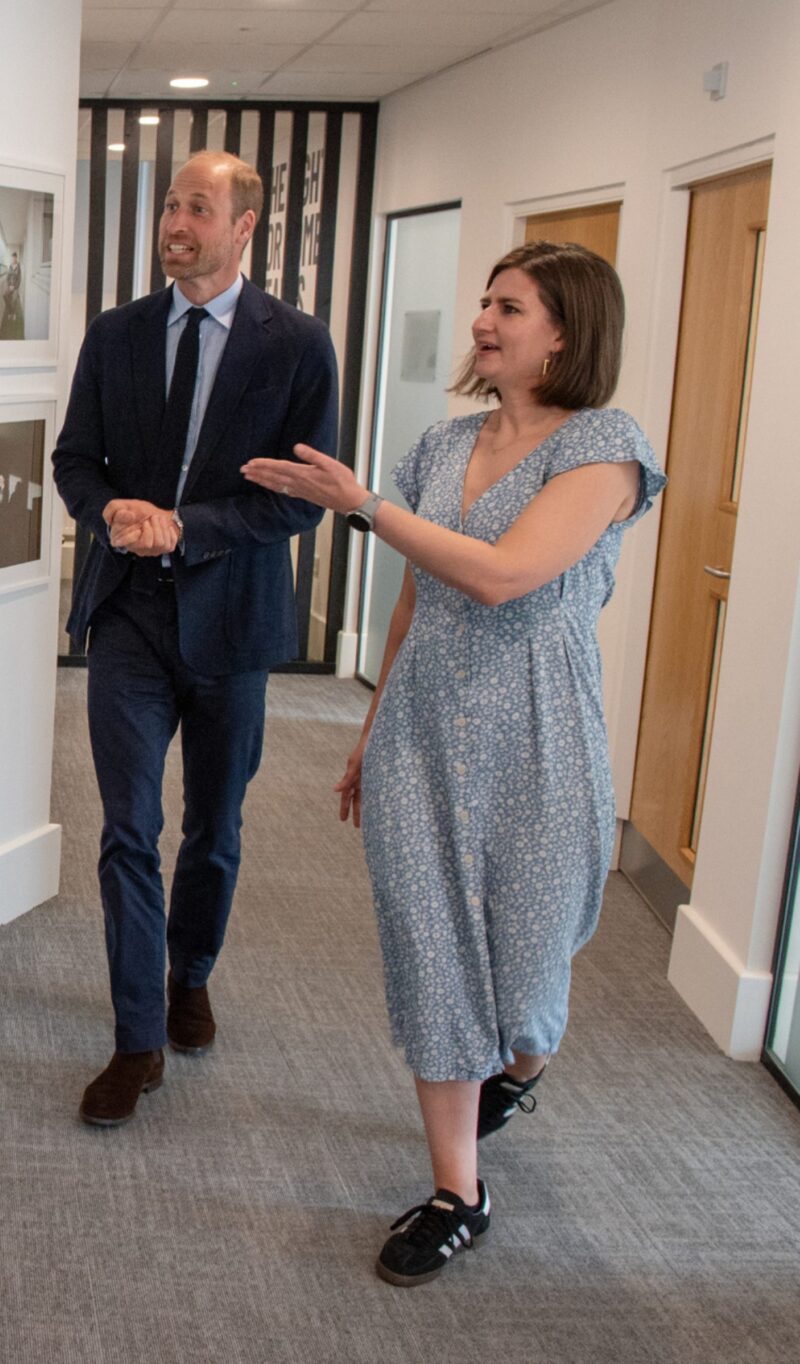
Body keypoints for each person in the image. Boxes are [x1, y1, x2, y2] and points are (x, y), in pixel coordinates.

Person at [242, 240, 662, 1287]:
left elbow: (506, 575)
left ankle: (515, 1071)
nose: (482, 319)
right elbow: (417, 598)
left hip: (536, 733)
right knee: (431, 959)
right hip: (421, 728)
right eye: (483, 301)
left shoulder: (602, 446)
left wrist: (362, 507)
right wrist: (372, 723)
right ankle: (454, 1192)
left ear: (562, 330)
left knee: (526, 980)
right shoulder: (438, 443)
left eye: (506, 306)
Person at [50, 150, 338, 1130]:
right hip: (128, 613)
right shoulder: (117, 334)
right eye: (170, 204)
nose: (175, 222)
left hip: (232, 621)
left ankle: (191, 973)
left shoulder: (296, 346)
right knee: (126, 828)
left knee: (214, 828)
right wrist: (110, 509)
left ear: (243, 224)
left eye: (196, 207)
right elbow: (71, 459)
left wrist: (191, 526)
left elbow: (299, 500)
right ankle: (136, 1037)